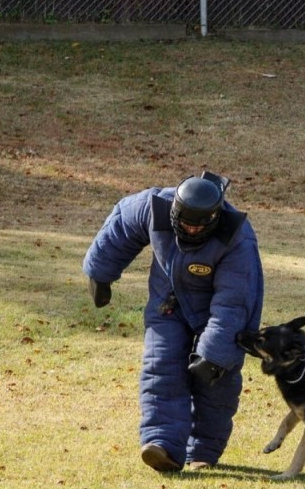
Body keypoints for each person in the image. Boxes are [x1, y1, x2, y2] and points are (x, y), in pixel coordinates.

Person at [83, 171, 264, 472]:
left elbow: (235, 303)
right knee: (161, 366)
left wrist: (215, 354)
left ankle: (202, 451)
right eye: (186, 223)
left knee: (215, 381)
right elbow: (121, 226)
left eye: (199, 226)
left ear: (214, 219)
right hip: (168, 303)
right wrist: (99, 273)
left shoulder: (236, 237)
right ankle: (162, 445)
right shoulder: (155, 206)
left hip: (215, 313)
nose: (191, 230)